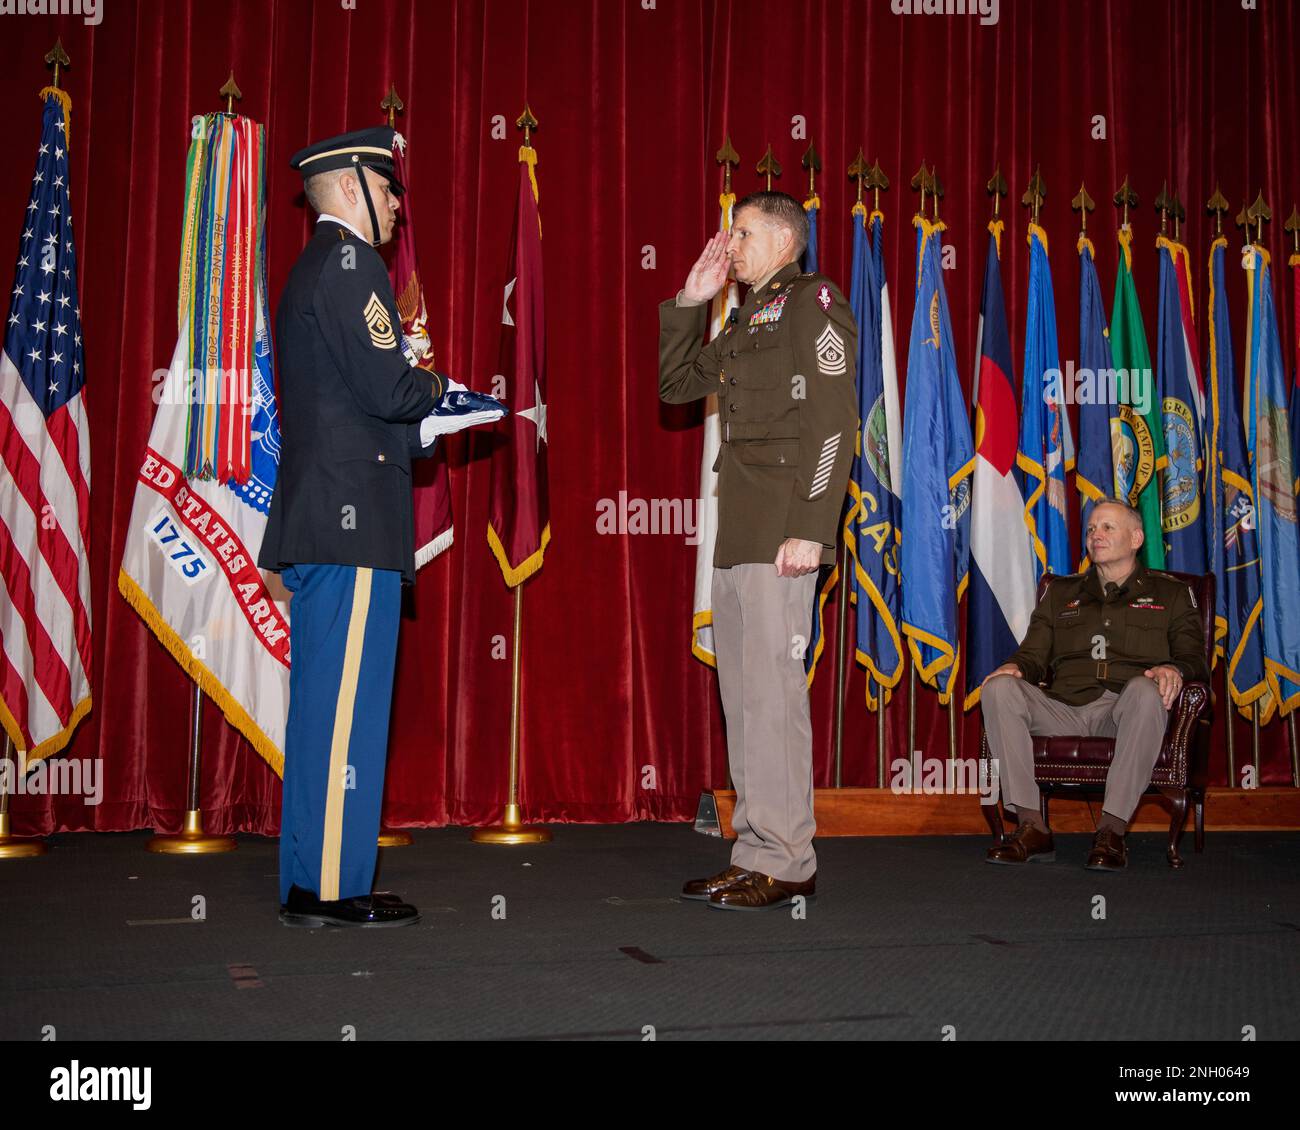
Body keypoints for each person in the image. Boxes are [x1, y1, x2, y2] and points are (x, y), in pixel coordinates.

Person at [259, 127, 446, 927]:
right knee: (346, 716)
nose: (400, 205)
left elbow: (350, 401)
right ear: (348, 187)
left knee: (321, 712)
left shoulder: (313, 270)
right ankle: (332, 887)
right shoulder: (351, 264)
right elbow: (388, 386)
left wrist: (417, 406)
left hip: (323, 520)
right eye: (389, 186)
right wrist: (444, 390)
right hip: (352, 523)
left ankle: (315, 874)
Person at [659, 191, 857, 910]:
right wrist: (692, 297)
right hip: (738, 531)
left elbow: (835, 423)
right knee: (743, 701)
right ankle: (753, 850)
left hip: (783, 530)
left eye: (740, 233)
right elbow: (676, 385)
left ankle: (789, 858)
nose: (728, 243)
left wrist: (812, 525)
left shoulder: (814, 301)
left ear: (782, 237)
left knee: (774, 698)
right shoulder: (746, 317)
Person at [980, 498, 1209, 871]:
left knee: (1145, 688)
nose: (1095, 535)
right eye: (1091, 529)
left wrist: (1175, 668)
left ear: (1136, 538)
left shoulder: (1169, 594)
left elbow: (1194, 656)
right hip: (1064, 706)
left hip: (1125, 710)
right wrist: (1013, 668)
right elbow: (1032, 655)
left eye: (1107, 528)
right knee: (998, 688)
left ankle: (1111, 830)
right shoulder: (1062, 593)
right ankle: (1032, 826)